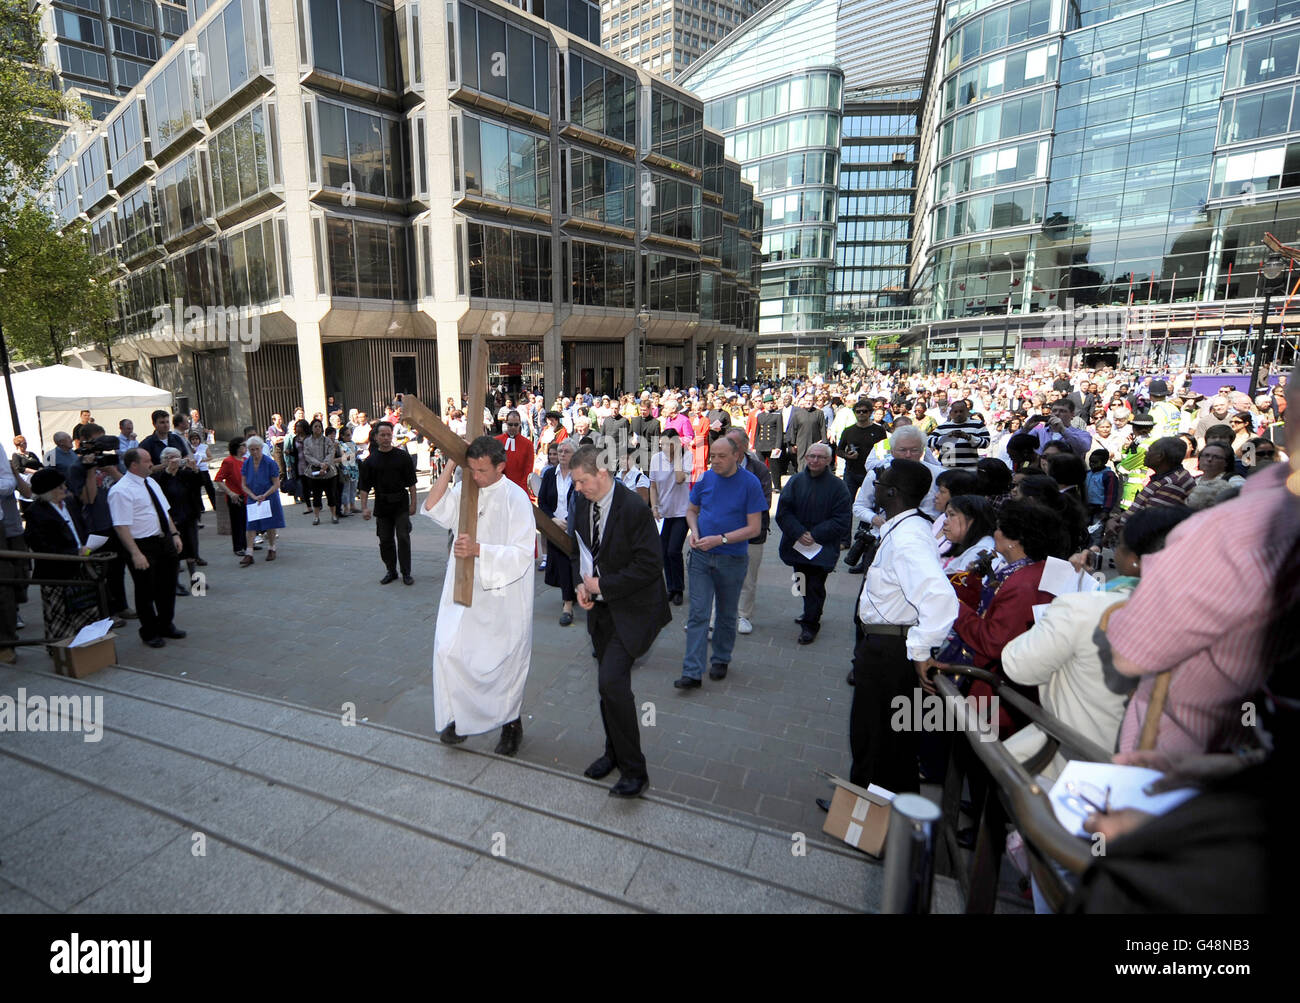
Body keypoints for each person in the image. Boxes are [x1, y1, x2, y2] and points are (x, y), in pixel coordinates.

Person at [1003, 505, 1194, 783]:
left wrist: (1073, 597)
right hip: (1163, 779)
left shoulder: (1083, 608)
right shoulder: (1209, 618)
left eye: (1119, 544)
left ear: (1132, 560)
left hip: (1070, 762)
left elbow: (1018, 666)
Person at [838, 459, 957, 798]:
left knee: (883, 741)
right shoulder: (904, 528)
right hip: (882, 646)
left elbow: (939, 598)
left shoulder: (908, 539)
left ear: (891, 492)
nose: (873, 486)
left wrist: (920, 651)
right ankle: (861, 804)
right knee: (871, 735)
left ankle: (880, 824)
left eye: (880, 482)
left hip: (891, 653)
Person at [569, 443, 671, 798]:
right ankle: (613, 754)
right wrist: (582, 586)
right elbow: (576, 550)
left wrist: (605, 584)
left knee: (612, 683)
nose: (578, 488)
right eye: (575, 483)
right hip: (600, 611)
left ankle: (634, 771)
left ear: (602, 473)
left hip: (635, 611)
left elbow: (649, 566)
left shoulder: (633, 507)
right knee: (606, 686)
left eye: (582, 481)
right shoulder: (581, 503)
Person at [422, 435, 534, 756]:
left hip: (503, 595)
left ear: (501, 467)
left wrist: (478, 550)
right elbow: (433, 506)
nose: (476, 477)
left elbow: (523, 553)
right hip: (464, 588)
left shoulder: (516, 499)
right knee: (449, 649)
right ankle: (460, 716)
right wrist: (452, 465)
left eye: (482, 471)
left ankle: (511, 723)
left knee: (500, 662)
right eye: (471, 469)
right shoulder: (467, 487)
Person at [674, 435, 765, 689]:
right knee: (698, 613)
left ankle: (721, 658)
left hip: (732, 559)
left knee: (726, 613)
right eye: (712, 455)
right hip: (701, 556)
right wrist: (694, 531)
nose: (714, 460)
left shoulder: (750, 483)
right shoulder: (706, 478)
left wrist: (721, 540)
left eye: (721, 456)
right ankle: (692, 671)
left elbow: (754, 528)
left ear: (737, 455)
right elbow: (692, 511)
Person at [108, 448, 186, 649]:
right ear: (134, 465)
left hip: (163, 540)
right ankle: (149, 631)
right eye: (147, 460)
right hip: (142, 545)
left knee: (167, 586)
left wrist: (174, 534)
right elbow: (120, 525)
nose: (151, 463)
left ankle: (166, 624)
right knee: (145, 590)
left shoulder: (150, 482)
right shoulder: (120, 490)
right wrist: (135, 553)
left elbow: (164, 511)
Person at [775, 442, 851, 645]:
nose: (815, 460)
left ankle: (811, 623)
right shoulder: (795, 481)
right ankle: (809, 609)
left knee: (815, 585)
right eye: (812, 456)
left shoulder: (838, 486)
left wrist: (815, 534)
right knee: (800, 582)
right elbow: (783, 512)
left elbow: (842, 519)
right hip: (797, 543)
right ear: (806, 457)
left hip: (822, 545)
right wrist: (799, 532)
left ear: (828, 460)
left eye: (820, 457)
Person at [23, 468, 104, 648]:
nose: (65, 489)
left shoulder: (69, 503)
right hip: (57, 572)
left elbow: (81, 527)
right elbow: (41, 546)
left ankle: (88, 647)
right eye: (60, 487)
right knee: (60, 615)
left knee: (86, 609)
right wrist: (74, 553)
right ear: (49, 491)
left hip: (80, 567)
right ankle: (63, 652)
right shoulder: (36, 512)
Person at [725, 428, 772, 636]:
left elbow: (763, 502)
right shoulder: (718, 466)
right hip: (723, 532)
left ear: (744, 446)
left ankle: (743, 615)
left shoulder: (759, 469)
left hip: (751, 533)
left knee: (747, 577)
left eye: (734, 443)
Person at [358, 421, 418, 585]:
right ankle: (391, 570)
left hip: (401, 503)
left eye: (388, 435)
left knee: (403, 537)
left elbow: (412, 483)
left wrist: (413, 504)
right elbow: (363, 487)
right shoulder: (370, 461)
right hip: (382, 505)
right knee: (385, 540)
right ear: (376, 437)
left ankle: (406, 572)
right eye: (382, 435)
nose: (386, 438)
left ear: (392, 436)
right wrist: (364, 508)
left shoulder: (402, 456)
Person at [153, 447, 204, 596]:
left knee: (192, 550)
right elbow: (160, 491)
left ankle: (196, 582)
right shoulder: (160, 477)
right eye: (170, 458)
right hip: (172, 520)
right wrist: (169, 471)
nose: (174, 461)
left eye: (177, 457)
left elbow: (199, 484)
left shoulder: (185, 474)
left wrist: (195, 470)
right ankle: (174, 584)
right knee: (174, 553)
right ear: (164, 461)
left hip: (189, 516)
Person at [538, 440, 578, 626]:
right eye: (560, 451)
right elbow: (543, 502)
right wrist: (553, 519)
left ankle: (572, 597)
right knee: (562, 563)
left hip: (575, 527)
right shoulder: (548, 475)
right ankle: (567, 604)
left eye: (566, 451)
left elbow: (583, 499)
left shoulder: (578, 476)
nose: (562, 454)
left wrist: (569, 521)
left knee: (573, 563)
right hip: (555, 527)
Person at [837, 399, 888, 545]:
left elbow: (884, 450)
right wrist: (847, 455)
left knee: (872, 507)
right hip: (852, 472)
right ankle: (844, 540)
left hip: (872, 474)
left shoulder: (879, 430)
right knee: (846, 505)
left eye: (864, 411)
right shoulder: (849, 431)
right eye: (858, 411)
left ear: (870, 413)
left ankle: (867, 540)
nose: (861, 414)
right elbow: (839, 450)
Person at [650, 428, 689, 606]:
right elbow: (652, 486)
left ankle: (678, 589)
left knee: (674, 550)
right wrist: (654, 507)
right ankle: (670, 587)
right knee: (664, 551)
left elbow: (680, 479)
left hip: (682, 511)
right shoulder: (656, 459)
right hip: (664, 511)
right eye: (662, 443)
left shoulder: (686, 456)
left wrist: (678, 457)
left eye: (669, 443)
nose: (665, 447)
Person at [239, 436, 285, 565]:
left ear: (261, 448)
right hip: (253, 497)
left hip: (269, 496)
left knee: (270, 524)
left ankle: (272, 548)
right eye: (251, 449)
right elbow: (243, 484)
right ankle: (249, 553)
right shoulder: (247, 463)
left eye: (257, 449)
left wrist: (264, 495)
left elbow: (276, 484)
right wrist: (253, 496)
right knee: (251, 525)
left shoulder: (270, 463)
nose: (254, 452)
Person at [938, 494, 997, 574]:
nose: (945, 521)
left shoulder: (981, 551)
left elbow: (960, 585)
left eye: (952, 515)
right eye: (946, 516)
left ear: (973, 520)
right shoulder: (967, 545)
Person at [299, 418, 340, 525]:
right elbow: (307, 455)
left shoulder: (327, 440)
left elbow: (331, 453)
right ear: (311, 428)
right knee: (316, 495)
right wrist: (319, 464)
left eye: (319, 426)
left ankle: (334, 515)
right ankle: (316, 517)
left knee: (331, 494)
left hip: (329, 472)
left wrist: (325, 464)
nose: (317, 428)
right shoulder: (307, 441)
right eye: (315, 426)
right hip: (314, 472)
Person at [927, 398, 989, 470]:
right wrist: (947, 437)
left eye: (961, 411)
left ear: (967, 412)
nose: (958, 414)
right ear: (951, 413)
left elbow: (986, 443)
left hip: (970, 469)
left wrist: (968, 437)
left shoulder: (977, 424)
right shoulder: (943, 427)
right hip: (947, 469)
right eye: (955, 412)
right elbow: (929, 442)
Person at [215, 437, 250, 558]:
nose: (245, 448)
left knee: (246, 522)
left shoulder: (246, 460)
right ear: (237, 447)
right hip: (235, 496)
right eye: (243, 445)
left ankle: (248, 544)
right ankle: (238, 547)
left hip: (246, 495)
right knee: (237, 523)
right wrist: (230, 493)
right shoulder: (229, 461)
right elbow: (218, 479)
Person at [496, 410, 536, 495]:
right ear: (506, 423)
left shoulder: (528, 444)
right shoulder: (497, 441)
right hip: (500, 486)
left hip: (519, 487)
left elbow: (528, 468)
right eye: (510, 424)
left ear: (520, 424)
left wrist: (521, 489)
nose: (513, 427)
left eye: (516, 424)